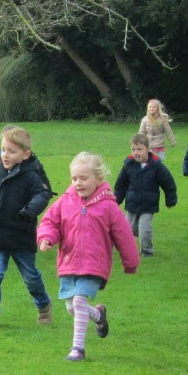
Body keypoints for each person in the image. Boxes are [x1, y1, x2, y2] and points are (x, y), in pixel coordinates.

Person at [36, 151, 138, 361]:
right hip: (69, 262)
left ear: (98, 179)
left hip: (94, 265)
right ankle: (98, 315)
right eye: (74, 178)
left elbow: (124, 235)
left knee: (79, 301)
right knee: (72, 307)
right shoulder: (65, 201)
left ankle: (78, 349)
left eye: (83, 178)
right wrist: (46, 238)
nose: (78, 183)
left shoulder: (108, 206)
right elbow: (50, 222)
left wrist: (130, 262)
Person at [0, 126, 54, 327]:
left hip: (21, 236)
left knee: (30, 277)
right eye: (3, 150)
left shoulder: (31, 174)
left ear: (25, 154)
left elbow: (42, 195)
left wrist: (28, 212)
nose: (5, 155)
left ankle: (43, 304)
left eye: (11, 151)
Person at [112, 133, 177, 256]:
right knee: (128, 229)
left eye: (139, 149)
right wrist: (116, 200)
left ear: (148, 149)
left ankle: (147, 251)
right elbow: (120, 185)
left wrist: (171, 199)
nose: (136, 152)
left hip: (148, 205)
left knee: (145, 229)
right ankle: (127, 248)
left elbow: (168, 183)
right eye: (133, 149)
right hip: (132, 203)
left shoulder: (157, 166)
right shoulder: (128, 165)